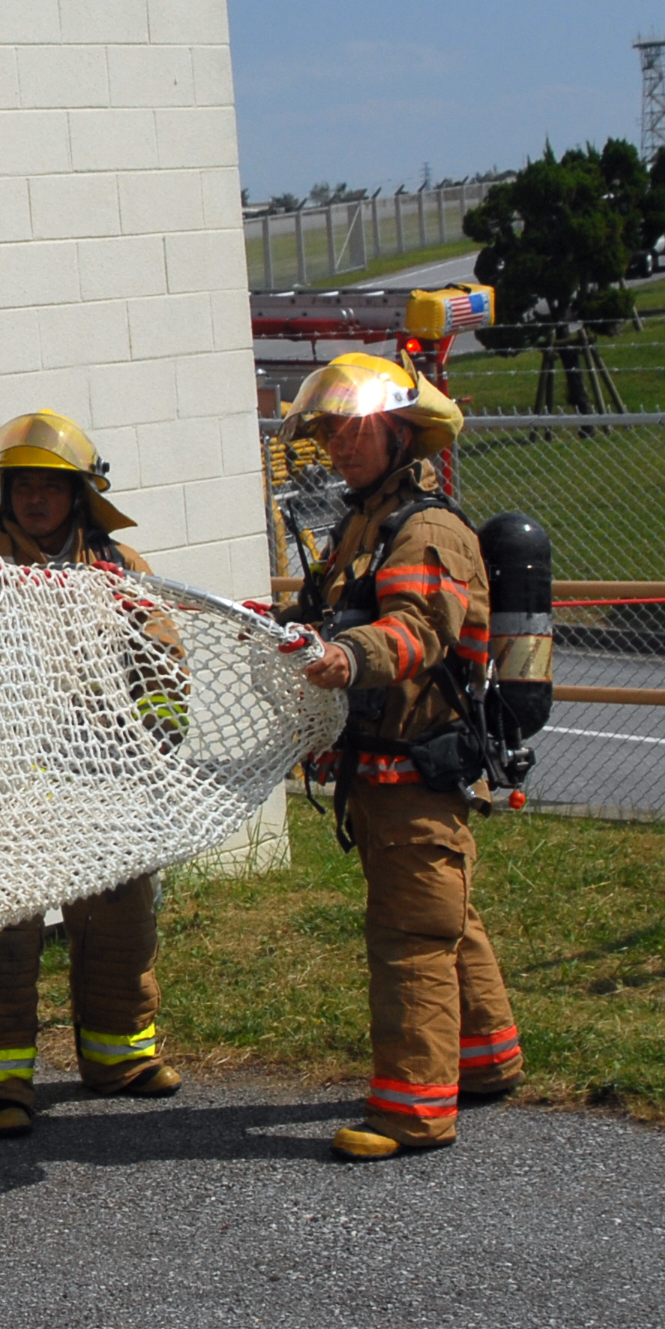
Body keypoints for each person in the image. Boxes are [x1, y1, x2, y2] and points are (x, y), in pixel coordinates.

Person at [278, 352, 523, 1162]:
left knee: (411, 934)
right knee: (446, 917)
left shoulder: (427, 530)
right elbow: (334, 609)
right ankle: (486, 1060)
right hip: (383, 770)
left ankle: (415, 1112)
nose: (339, 444)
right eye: (330, 432)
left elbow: (419, 629)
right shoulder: (365, 522)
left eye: (356, 429)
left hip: (418, 765)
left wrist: (348, 658)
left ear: (401, 432)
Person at [0, 416, 183, 1138]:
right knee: (1, 934)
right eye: (22, 486)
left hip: (105, 778)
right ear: (4, 493)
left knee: (119, 926)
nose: (35, 500)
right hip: (4, 783)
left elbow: (162, 663)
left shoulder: (118, 567)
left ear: (79, 494)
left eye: (50, 486)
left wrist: (156, 741)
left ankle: (123, 1060)